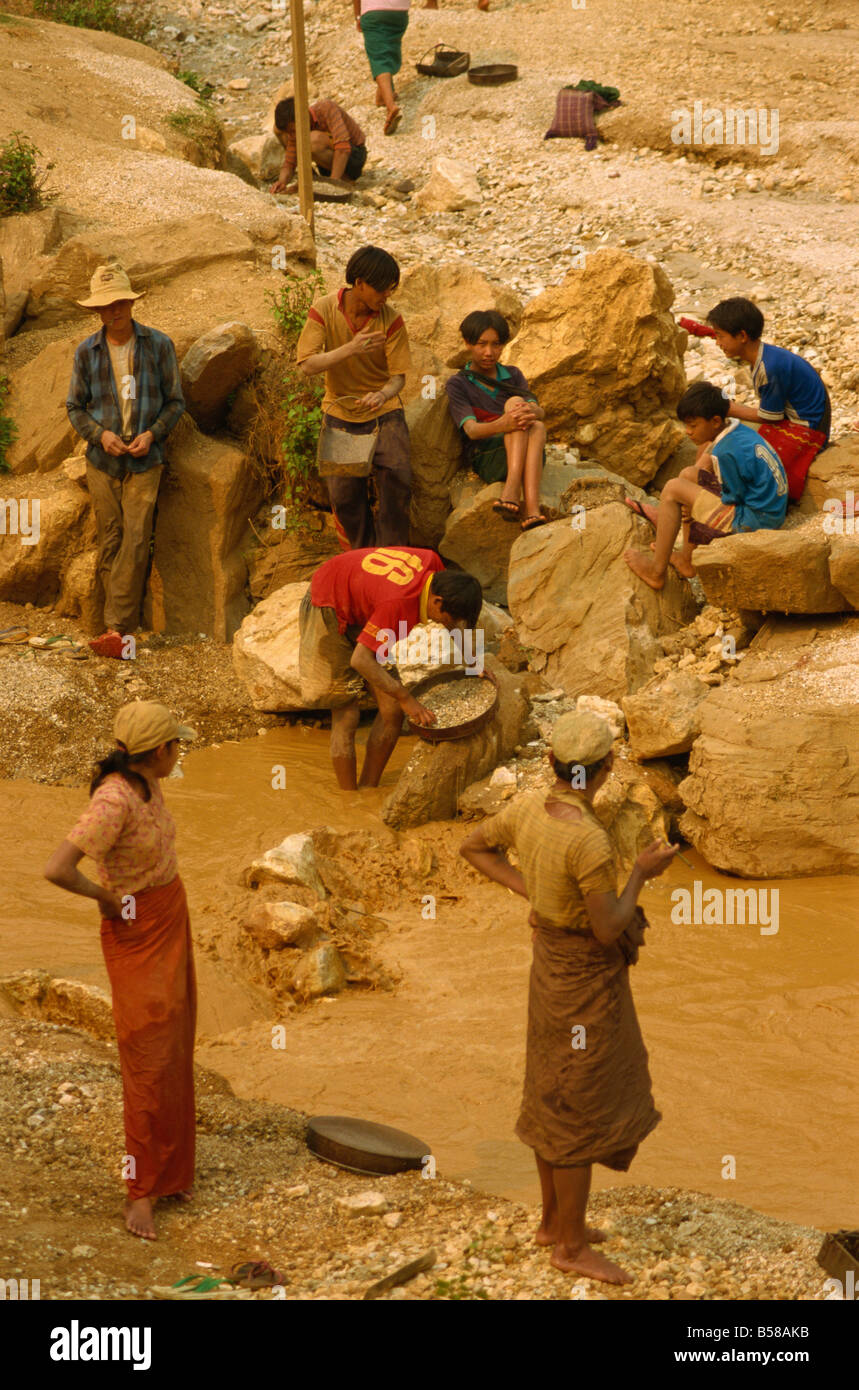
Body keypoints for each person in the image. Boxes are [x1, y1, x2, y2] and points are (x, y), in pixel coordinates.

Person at [460, 711, 677, 1285]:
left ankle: (555, 1222)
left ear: (553, 764)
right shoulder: (587, 839)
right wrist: (641, 874)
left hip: (548, 966)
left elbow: (475, 848)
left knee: (551, 1087)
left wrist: (530, 887)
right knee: (578, 1102)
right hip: (583, 978)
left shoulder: (528, 808)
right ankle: (572, 1248)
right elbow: (609, 928)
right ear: (603, 770)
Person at [43, 703, 198, 1242]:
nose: (180, 753)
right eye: (176, 746)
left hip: (169, 913)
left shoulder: (149, 783)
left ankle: (172, 1173)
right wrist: (106, 899)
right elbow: (57, 868)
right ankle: (141, 1191)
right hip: (136, 926)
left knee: (176, 1044)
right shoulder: (114, 799)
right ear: (159, 752)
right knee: (147, 1057)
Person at [66, 264, 184, 659]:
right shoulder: (87, 351)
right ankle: (108, 627)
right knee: (111, 540)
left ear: (130, 304)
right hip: (102, 460)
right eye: (105, 306)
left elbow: (175, 402)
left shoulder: (158, 345)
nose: (112, 312)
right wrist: (101, 435)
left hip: (146, 459)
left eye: (119, 304)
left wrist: (152, 433)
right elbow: (74, 407)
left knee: (136, 539)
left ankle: (118, 630)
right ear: (97, 312)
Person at [299, 546, 481, 788]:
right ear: (437, 602)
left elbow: (457, 625)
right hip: (328, 604)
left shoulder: (434, 567)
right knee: (346, 714)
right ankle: (349, 799)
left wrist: (474, 663)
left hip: (365, 605)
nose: (448, 625)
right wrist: (406, 697)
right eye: (449, 619)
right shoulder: (399, 605)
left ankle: (368, 788)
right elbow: (360, 660)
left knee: (392, 711)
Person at [298, 245, 412, 549]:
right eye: (381, 289)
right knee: (344, 494)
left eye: (391, 289)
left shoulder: (392, 320)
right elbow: (307, 364)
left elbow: (398, 377)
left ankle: (391, 553)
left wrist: (382, 394)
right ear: (359, 283)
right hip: (341, 412)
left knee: (398, 477)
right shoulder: (323, 309)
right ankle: (362, 555)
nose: (386, 296)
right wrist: (351, 348)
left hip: (383, 410)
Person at [623, 381, 788, 591]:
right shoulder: (737, 430)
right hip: (770, 507)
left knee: (673, 489)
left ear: (716, 421)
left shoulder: (725, 451)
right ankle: (686, 558)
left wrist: (702, 501)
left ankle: (656, 572)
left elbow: (732, 496)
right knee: (687, 475)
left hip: (754, 519)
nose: (687, 432)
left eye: (693, 425)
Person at [707, 296, 830, 497]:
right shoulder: (765, 356)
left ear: (742, 336)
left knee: (749, 459)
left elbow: (771, 416)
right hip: (805, 418)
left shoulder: (769, 367)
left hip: (809, 428)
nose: (718, 343)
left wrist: (727, 407)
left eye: (720, 336)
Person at [446, 309, 547, 531]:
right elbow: (471, 431)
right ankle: (525, 501)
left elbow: (539, 412)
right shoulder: (459, 383)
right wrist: (505, 423)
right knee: (516, 409)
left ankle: (520, 499)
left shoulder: (513, 375)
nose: (489, 352)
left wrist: (532, 413)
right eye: (482, 344)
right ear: (467, 343)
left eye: (496, 345)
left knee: (533, 422)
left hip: (530, 453)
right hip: (489, 456)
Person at [270, 95, 368, 192]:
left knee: (311, 140)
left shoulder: (326, 108)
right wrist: (281, 182)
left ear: (302, 117)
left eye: (293, 130)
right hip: (330, 166)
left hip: (354, 157)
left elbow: (343, 148)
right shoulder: (295, 132)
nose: (293, 135)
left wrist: (333, 186)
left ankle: (341, 180)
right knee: (307, 141)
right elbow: (289, 164)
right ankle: (341, 180)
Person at [354, 0, 410, 135]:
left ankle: (391, 107)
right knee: (389, 49)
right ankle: (382, 97)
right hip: (400, 12)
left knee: (379, 59)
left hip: (374, 11)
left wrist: (357, 16)